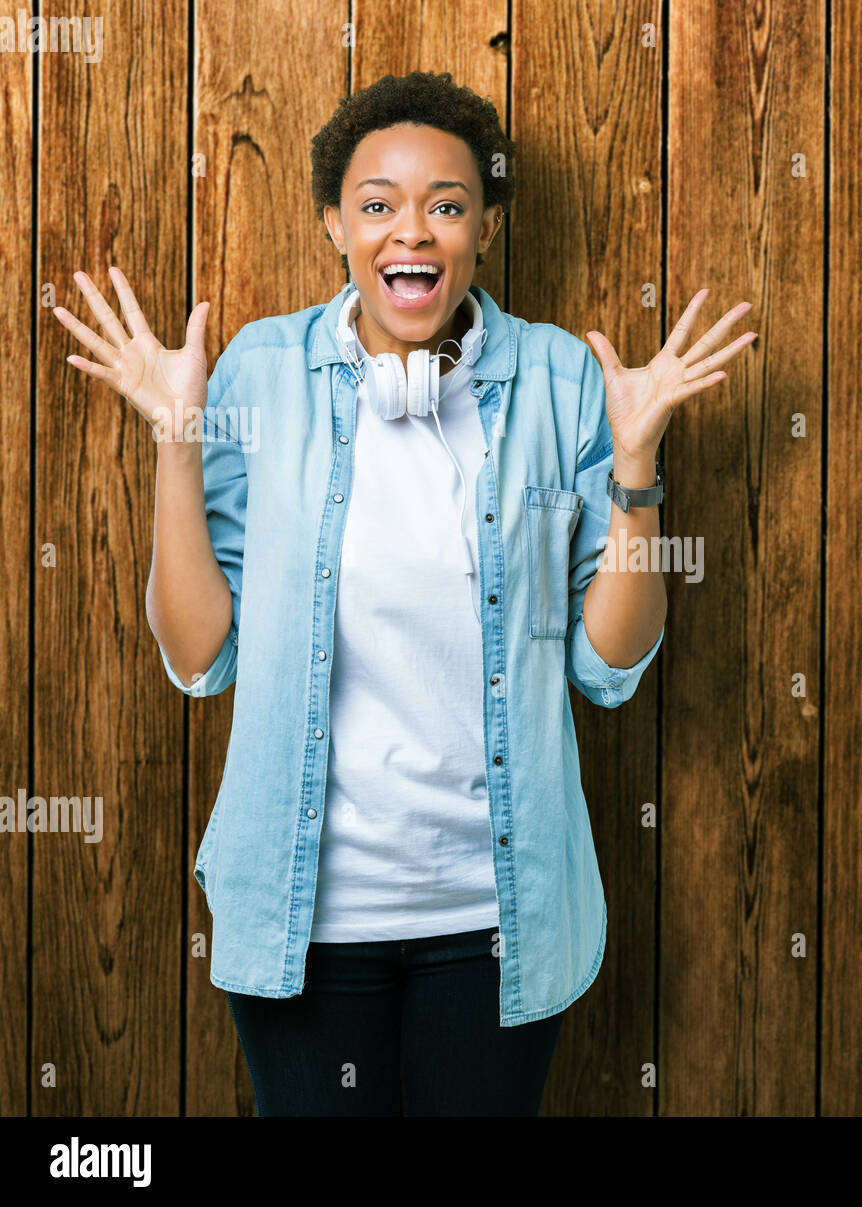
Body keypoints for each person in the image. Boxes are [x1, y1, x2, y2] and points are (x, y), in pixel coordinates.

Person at [53, 69, 756, 1117]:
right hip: (309, 921)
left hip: (496, 920)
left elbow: (608, 666)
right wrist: (176, 441)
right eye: (377, 203)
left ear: (482, 227)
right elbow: (199, 658)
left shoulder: (564, 381)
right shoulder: (259, 373)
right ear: (335, 223)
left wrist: (637, 469)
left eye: (445, 204)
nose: (409, 231)